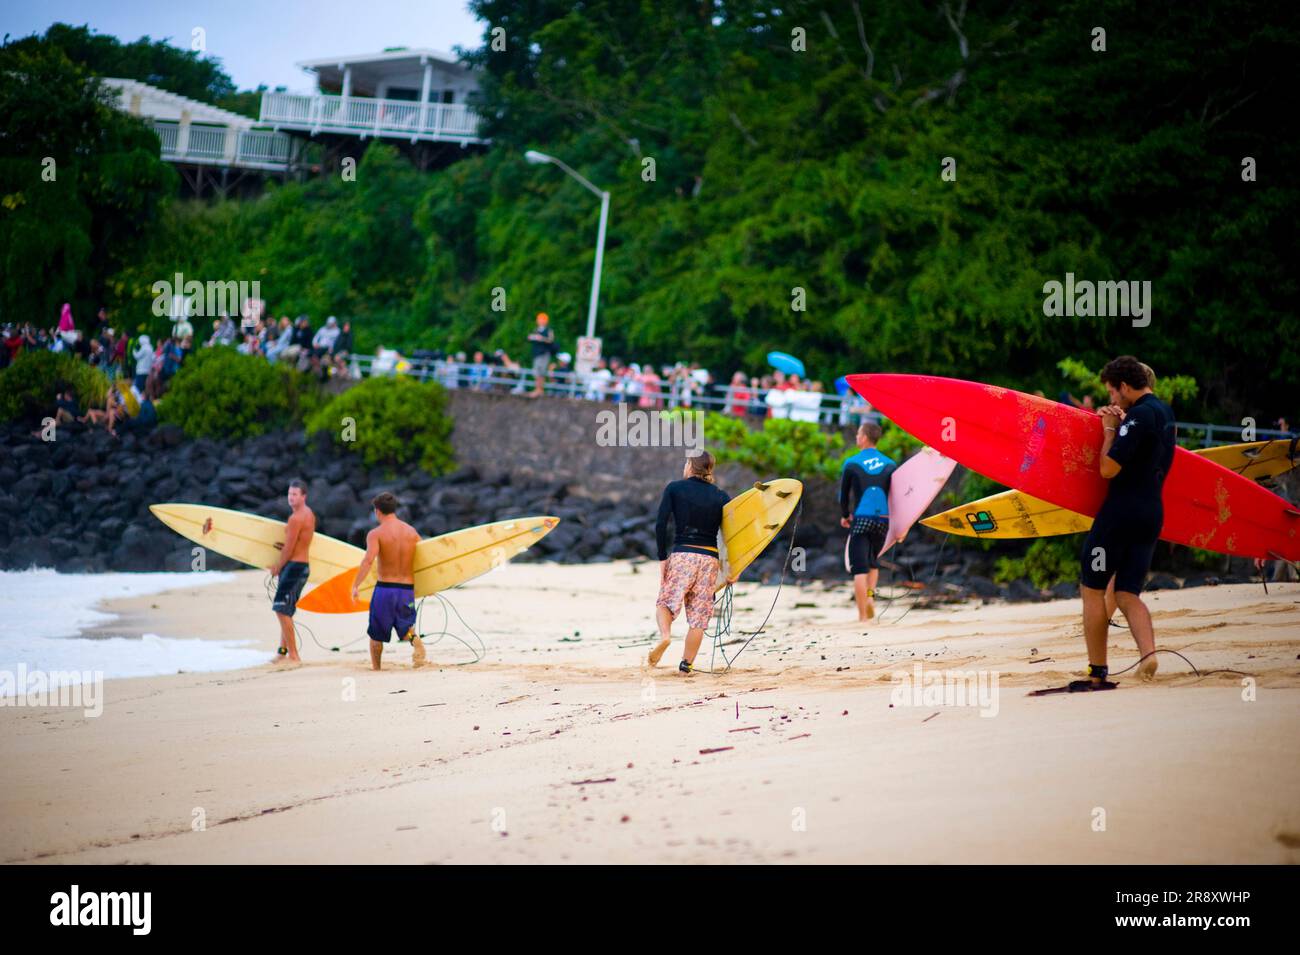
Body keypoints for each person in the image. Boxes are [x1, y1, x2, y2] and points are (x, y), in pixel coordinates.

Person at [1077, 355, 1176, 689]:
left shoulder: (1139, 415)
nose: (1111, 399)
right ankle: (1148, 655)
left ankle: (1097, 671)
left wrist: (1108, 433)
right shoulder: (1164, 413)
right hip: (1151, 513)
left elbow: (1108, 469)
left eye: (1112, 392)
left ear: (1124, 385)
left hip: (1119, 514)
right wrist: (1124, 426)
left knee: (1091, 588)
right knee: (1127, 593)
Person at [649, 451, 733, 674]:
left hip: (683, 554)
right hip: (709, 559)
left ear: (690, 466)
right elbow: (730, 535)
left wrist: (662, 558)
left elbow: (660, 525)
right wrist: (733, 568)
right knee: (698, 617)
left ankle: (665, 637)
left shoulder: (674, 488)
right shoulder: (721, 496)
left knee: (665, 603)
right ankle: (686, 665)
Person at [352, 492, 426, 671]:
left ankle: (376, 668)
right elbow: (425, 560)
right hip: (406, 589)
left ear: (377, 511)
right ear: (395, 509)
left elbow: (368, 560)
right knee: (406, 626)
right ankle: (414, 640)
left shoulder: (376, 534)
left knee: (377, 633)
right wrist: (429, 586)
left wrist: (356, 585)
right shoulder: (411, 532)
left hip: (385, 589)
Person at [839, 421, 897, 621]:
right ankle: (871, 598)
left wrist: (846, 515)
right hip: (883, 520)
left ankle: (863, 615)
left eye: (857, 434)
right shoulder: (890, 464)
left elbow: (843, 496)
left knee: (859, 568)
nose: (856, 438)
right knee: (873, 563)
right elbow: (896, 498)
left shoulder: (852, 463)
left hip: (861, 519)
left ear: (864, 438)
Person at [269, 480, 316, 664]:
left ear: (304, 496)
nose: (291, 497)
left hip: (295, 567)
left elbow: (288, 548)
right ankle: (282, 652)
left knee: (281, 609)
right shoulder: (309, 514)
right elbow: (296, 543)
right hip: (301, 566)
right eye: (289, 494)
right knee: (286, 610)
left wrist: (278, 566)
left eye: (295, 494)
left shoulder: (295, 518)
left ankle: (294, 656)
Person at [527, 312, 555, 397]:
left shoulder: (549, 330)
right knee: (536, 372)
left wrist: (542, 338)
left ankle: (539, 390)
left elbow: (551, 340)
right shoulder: (536, 330)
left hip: (544, 353)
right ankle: (537, 389)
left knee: (541, 372)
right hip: (536, 354)